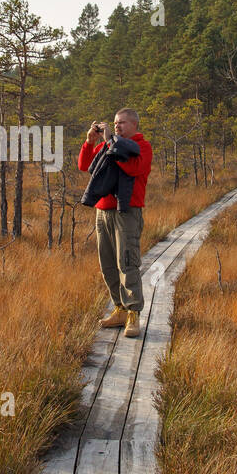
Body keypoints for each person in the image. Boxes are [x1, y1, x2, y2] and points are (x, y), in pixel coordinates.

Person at [78, 108, 152, 338]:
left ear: (134, 125)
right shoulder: (108, 145)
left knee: (127, 262)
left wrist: (111, 140)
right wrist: (90, 142)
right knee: (108, 264)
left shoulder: (142, 147)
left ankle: (133, 314)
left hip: (127, 212)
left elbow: (131, 167)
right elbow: (84, 165)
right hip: (103, 212)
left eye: (121, 123)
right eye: (114, 123)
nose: (117, 126)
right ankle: (119, 309)